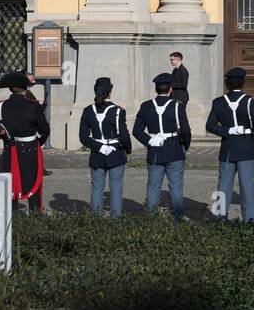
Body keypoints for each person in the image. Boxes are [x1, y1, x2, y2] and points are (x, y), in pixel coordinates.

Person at [205, 67, 254, 222]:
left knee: (223, 185)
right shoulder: (250, 101)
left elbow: (210, 126)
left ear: (227, 84)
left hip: (228, 148)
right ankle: (249, 219)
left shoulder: (218, 102)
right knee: (247, 186)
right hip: (246, 148)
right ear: (243, 82)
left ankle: (220, 216)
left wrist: (228, 131)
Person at [132, 71, 191, 221]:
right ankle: (177, 217)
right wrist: (185, 145)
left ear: (156, 89)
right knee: (176, 187)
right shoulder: (178, 106)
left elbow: (136, 131)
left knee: (153, 187)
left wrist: (150, 141)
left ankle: (151, 218)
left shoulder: (146, 106)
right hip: (174, 150)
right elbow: (185, 130)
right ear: (170, 88)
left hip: (155, 152)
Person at [0, 70, 52, 212]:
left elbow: (2, 131)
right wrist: (38, 143)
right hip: (30, 149)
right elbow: (45, 130)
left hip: (10, 149)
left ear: (10, 88)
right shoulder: (33, 106)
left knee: (11, 185)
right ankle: (35, 213)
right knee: (34, 184)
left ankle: (12, 215)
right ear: (26, 87)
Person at [79, 76, 132, 217]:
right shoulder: (117, 110)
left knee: (97, 188)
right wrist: (128, 149)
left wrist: (99, 147)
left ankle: (96, 219)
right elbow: (124, 135)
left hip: (96, 153)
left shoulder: (88, 111)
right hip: (115, 152)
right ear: (110, 92)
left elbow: (83, 137)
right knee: (116, 188)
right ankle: (115, 219)